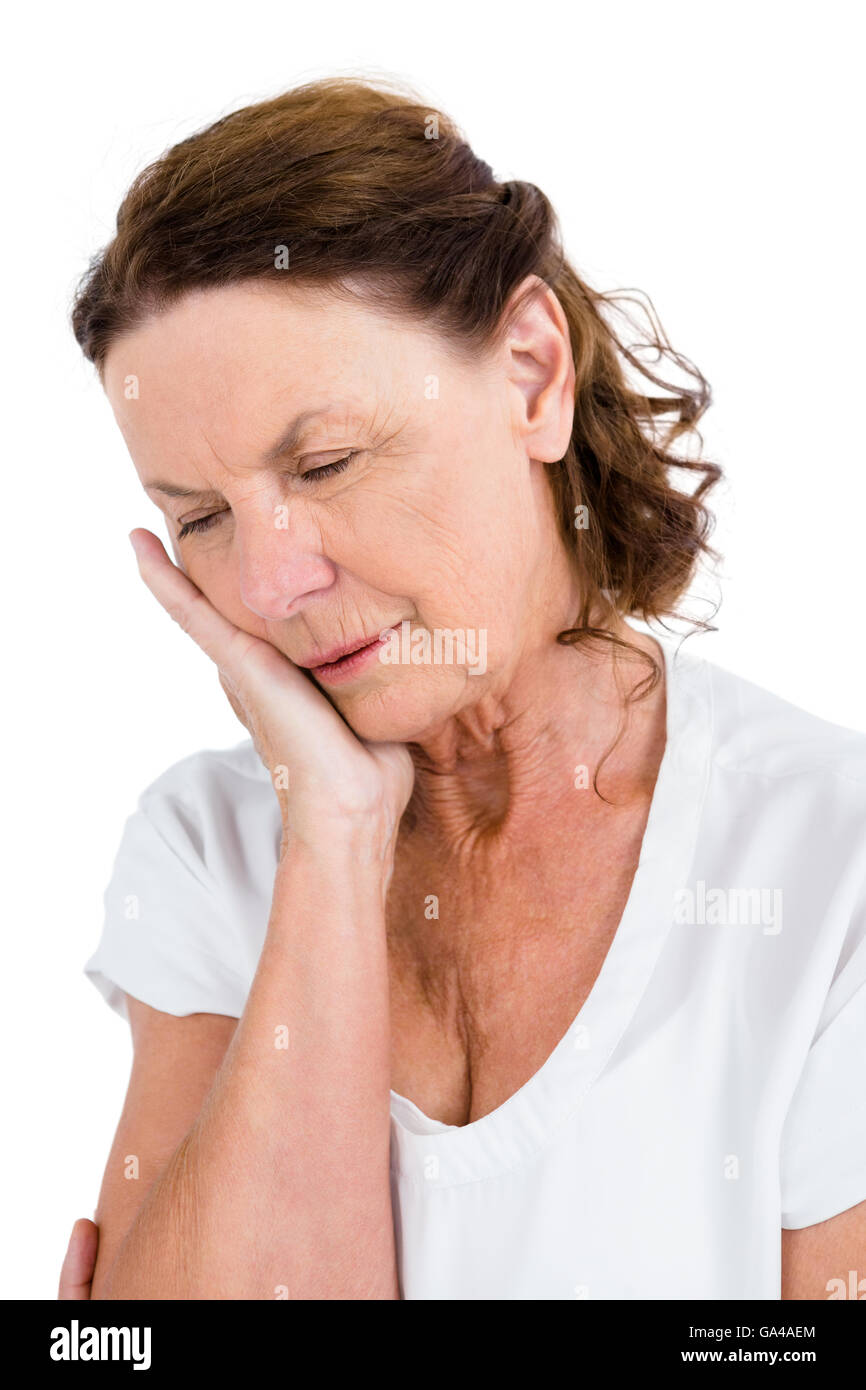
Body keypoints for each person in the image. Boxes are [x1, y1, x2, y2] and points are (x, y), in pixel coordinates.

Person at [60, 75, 866, 1300]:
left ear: (531, 375)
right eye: (203, 517)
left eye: (323, 460)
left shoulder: (827, 859)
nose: (272, 582)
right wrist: (330, 839)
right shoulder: (209, 850)